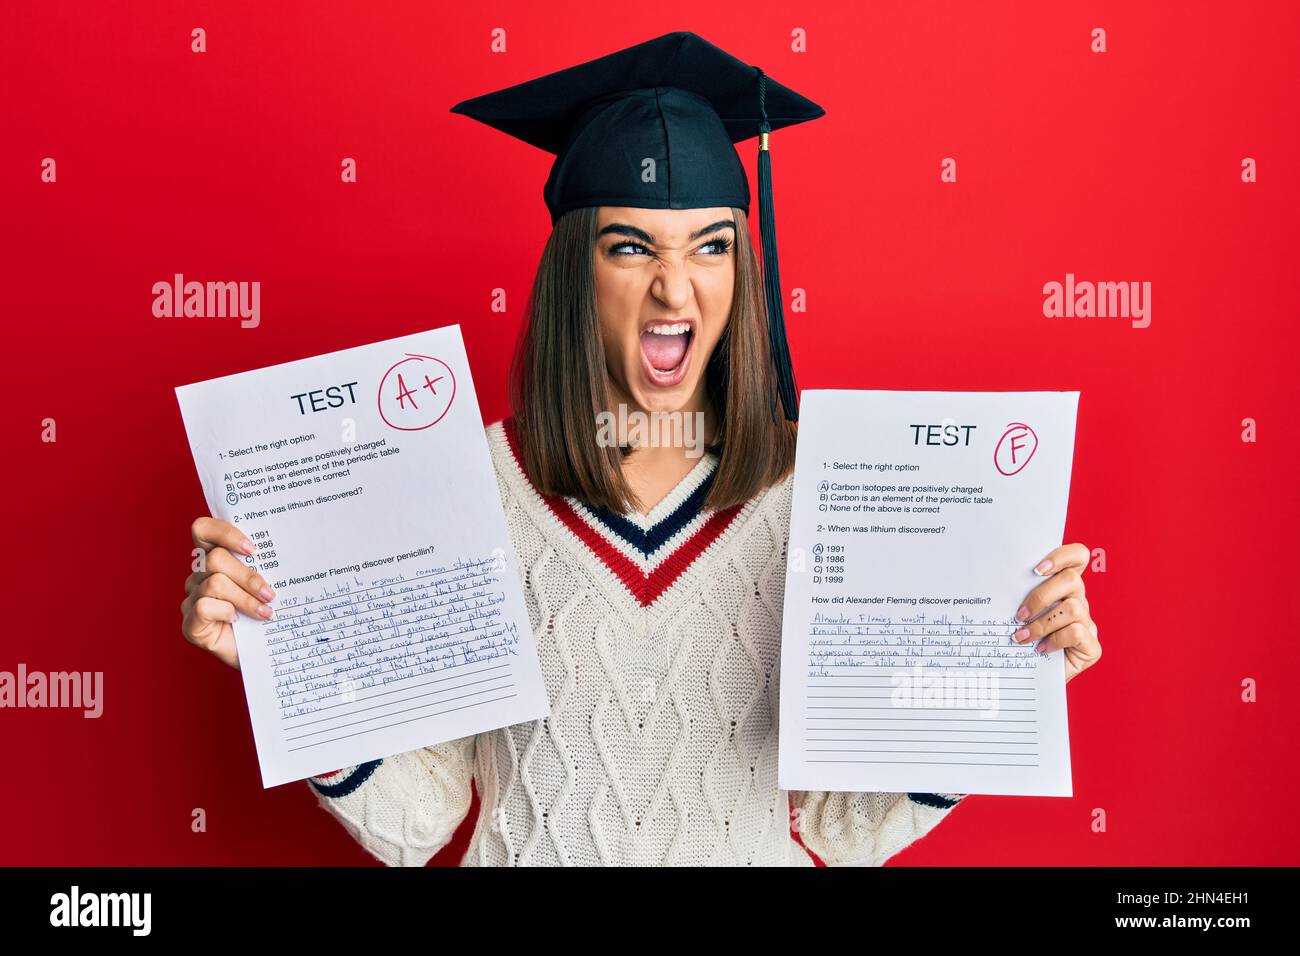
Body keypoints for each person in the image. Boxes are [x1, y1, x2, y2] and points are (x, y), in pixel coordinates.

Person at [179, 32, 1102, 866]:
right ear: (577, 268)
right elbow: (418, 822)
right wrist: (286, 663)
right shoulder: (467, 488)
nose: (675, 286)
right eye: (630, 247)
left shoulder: (830, 497)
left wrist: (1001, 662)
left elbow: (840, 827)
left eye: (710, 246)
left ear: (745, 265)